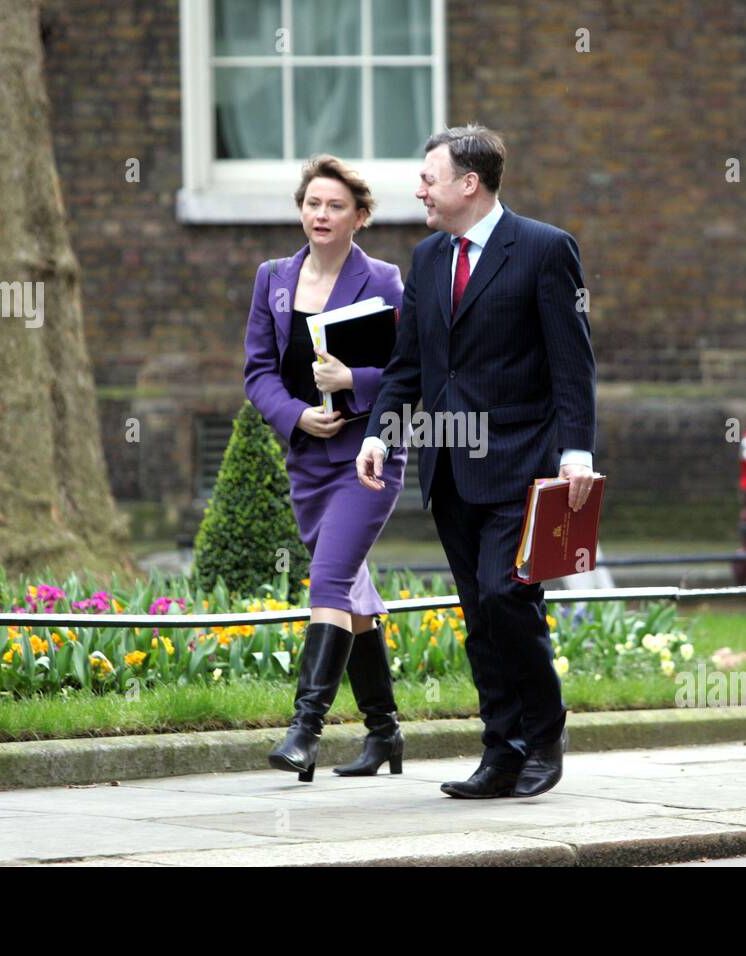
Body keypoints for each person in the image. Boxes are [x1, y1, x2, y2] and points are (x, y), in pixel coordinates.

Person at [357, 124, 597, 799]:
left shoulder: (545, 250)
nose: (419, 189)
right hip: (449, 469)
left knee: (507, 595)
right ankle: (502, 748)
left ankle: (544, 734)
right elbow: (409, 366)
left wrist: (577, 453)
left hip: (523, 466)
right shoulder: (429, 258)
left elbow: (572, 366)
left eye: (429, 177)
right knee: (479, 613)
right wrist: (379, 434)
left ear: (470, 182)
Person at [243, 155, 410, 782]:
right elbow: (257, 372)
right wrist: (294, 417)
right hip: (307, 458)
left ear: (359, 217)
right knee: (351, 592)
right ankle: (385, 734)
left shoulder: (387, 281)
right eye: (313, 202)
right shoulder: (273, 279)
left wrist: (353, 381)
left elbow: (407, 372)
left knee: (329, 580)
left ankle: (304, 731)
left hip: (369, 459)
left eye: (335, 205)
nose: (321, 214)